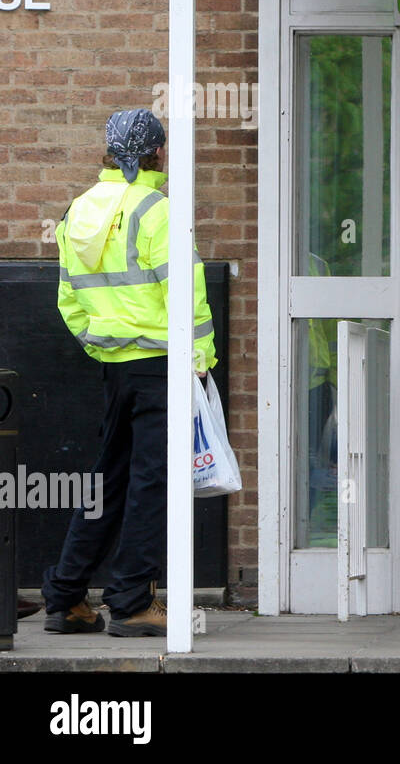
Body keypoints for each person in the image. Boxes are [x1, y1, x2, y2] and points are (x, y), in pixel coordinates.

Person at [42, 109, 218, 638]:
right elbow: (186, 296)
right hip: (162, 365)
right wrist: (202, 360)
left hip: (116, 368)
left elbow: (69, 301)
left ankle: (67, 597)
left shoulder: (77, 211)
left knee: (108, 480)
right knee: (150, 484)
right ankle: (132, 600)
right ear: (157, 153)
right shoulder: (157, 210)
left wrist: (103, 349)